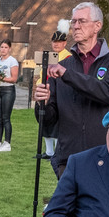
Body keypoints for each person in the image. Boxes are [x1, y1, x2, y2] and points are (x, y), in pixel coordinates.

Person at [34, 2, 109, 178]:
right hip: (68, 159)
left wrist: (67, 75)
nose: (76, 26)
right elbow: (48, 121)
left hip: (104, 156)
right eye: (73, 21)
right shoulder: (61, 66)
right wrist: (42, 104)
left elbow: (107, 93)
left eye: (82, 21)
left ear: (97, 26)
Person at [41, 24, 71, 158]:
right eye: (54, 41)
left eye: (59, 42)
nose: (56, 44)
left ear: (64, 43)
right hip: (48, 91)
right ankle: (49, 151)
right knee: (46, 121)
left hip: (60, 93)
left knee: (58, 123)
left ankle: (58, 151)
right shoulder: (49, 57)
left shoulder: (68, 58)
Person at [0, 39, 18, 152]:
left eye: (6, 47)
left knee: (6, 117)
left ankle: (7, 143)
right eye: (2, 47)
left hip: (8, 90)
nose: (3, 49)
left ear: (9, 48)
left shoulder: (12, 61)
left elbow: (14, 79)